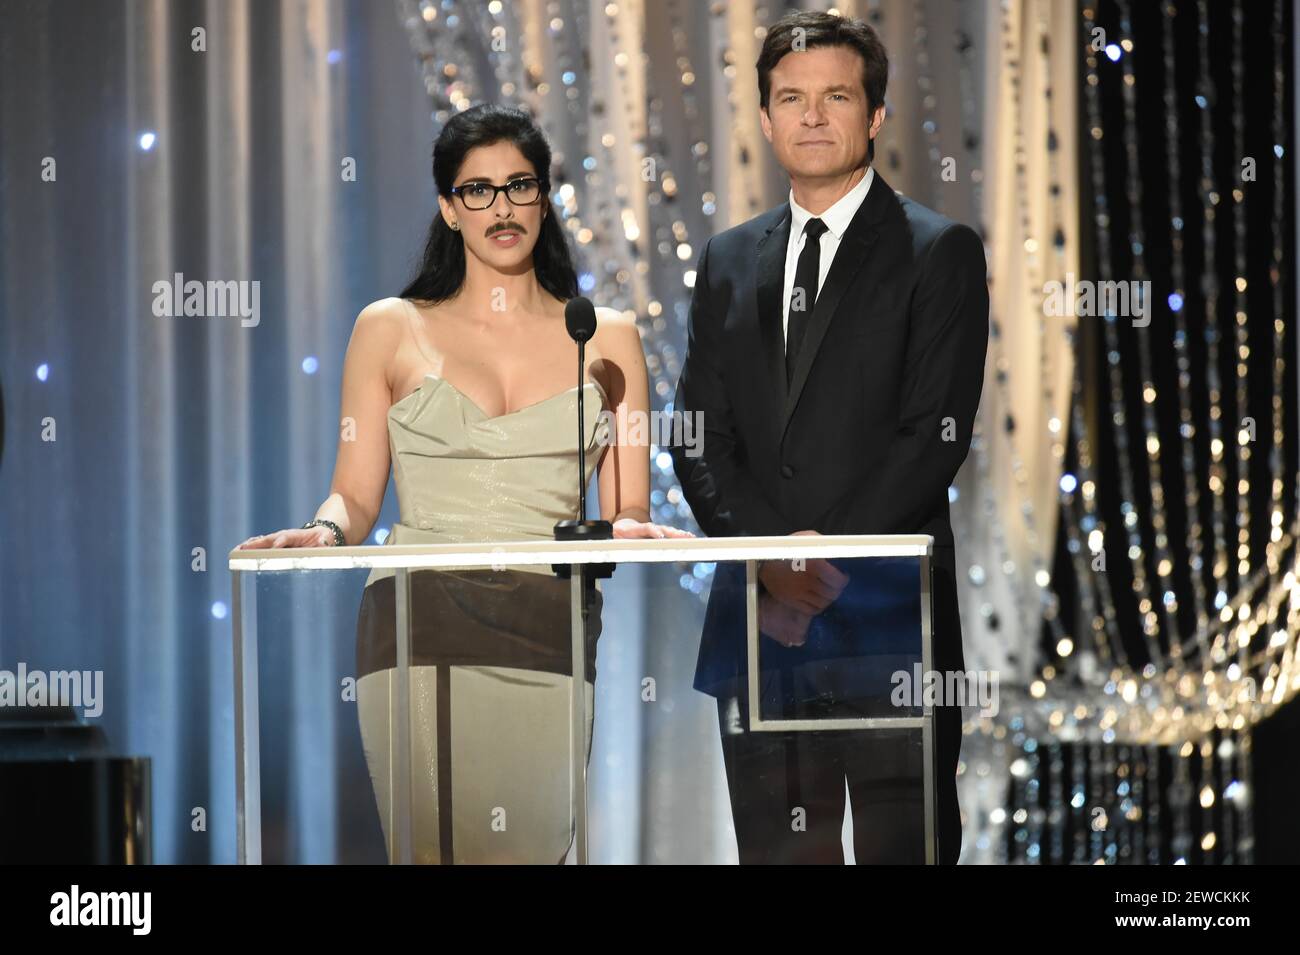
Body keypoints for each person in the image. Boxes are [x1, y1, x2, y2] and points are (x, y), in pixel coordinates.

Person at [240, 103, 690, 863]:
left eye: (518, 186)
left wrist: (638, 528)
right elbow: (354, 492)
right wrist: (322, 531)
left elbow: (627, 510)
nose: (501, 207)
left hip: (550, 622)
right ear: (449, 208)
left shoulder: (607, 337)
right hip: (418, 620)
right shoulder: (389, 326)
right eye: (476, 191)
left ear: (543, 198)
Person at [671, 11, 989, 864]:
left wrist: (818, 563)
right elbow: (697, 439)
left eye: (836, 95)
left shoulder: (939, 250)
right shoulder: (728, 259)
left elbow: (934, 436)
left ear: (874, 114)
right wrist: (770, 559)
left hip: (890, 623)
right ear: (767, 118)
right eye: (792, 98)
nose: (813, 116)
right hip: (760, 628)